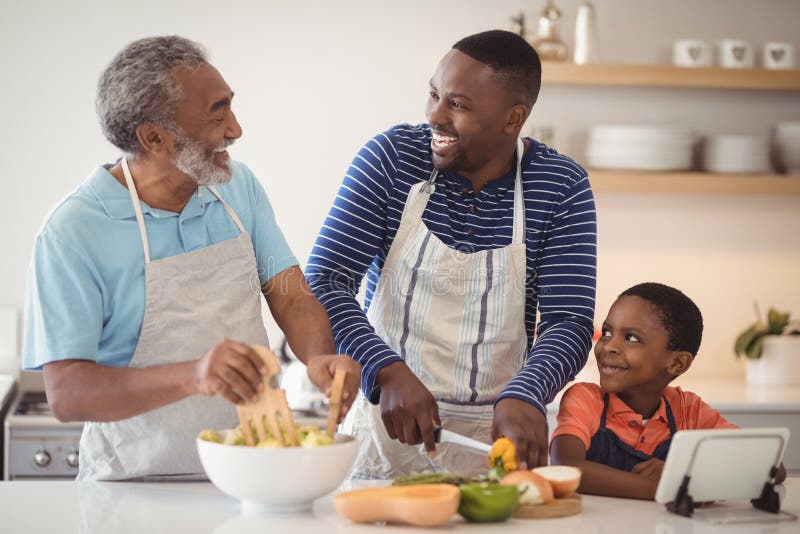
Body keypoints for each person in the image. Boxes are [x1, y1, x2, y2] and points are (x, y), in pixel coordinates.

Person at [22, 36, 360, 481]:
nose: (236, 129)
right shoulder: (72, 232)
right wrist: (195, 376)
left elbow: (291, 294)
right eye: (217, 113)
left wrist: (318, 357)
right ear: (154, 137)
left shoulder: (239, 187)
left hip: (254, 473)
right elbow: (68, 393)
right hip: (134, 489)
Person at [306, 30, 597, 479]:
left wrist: (527, 392)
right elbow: (326, 279)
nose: (435, 116)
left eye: (458, 105)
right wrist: (384, 370)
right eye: (434, 94)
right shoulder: (391, 158)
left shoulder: (560, 186)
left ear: (512, 118)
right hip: (385, 431)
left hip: (499, 439)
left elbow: (569, 321)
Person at [549, 282, 787, 500]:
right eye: (608, 332)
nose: (609, 346)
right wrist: (667, 487)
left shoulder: (688, 410)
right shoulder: (587, 399)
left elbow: (773, 468)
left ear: (677, 364)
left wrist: (684, 471)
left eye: (631, 338)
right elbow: (566, 467)